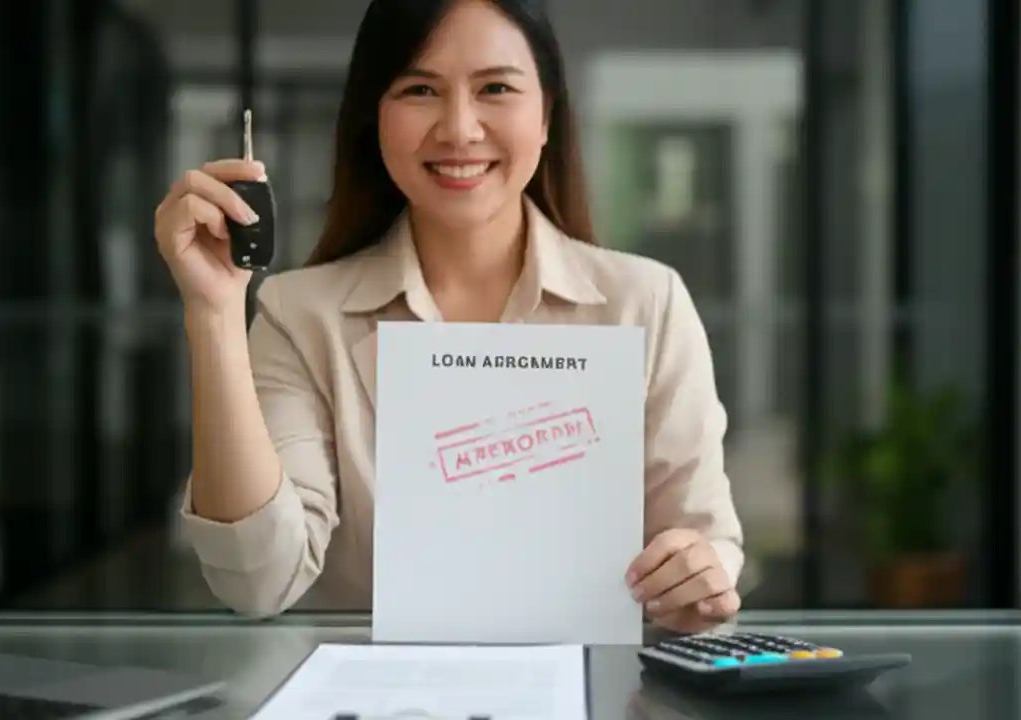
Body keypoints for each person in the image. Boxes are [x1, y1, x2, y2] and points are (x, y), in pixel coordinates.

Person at [153, 0, 744, 634]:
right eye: (419, 89)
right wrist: (214, 314)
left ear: (546, 114)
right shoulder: (301, 317)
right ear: (374, 119)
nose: (459, 128)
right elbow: (259, 581)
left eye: (495, 88)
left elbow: (706, 546)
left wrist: (698, 579)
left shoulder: (646, 303)